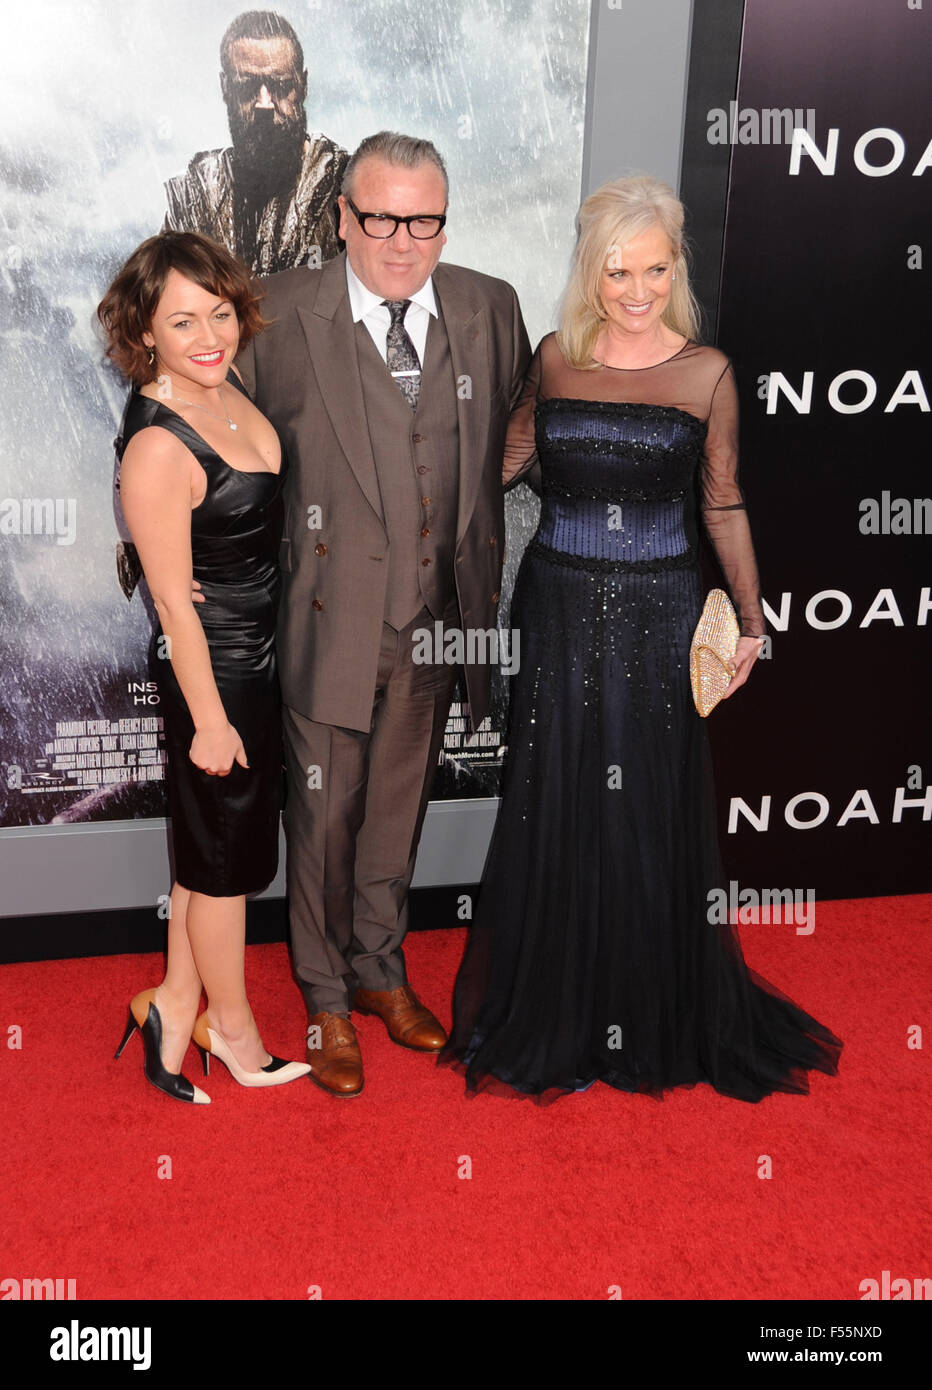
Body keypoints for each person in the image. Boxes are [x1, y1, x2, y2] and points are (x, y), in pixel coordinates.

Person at [440, 175, 843, 1103]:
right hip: (560, 608)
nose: (634, 289)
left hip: (661, 614)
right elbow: (498, 469)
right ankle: (562, 1005)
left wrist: (752, 617)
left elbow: (723, 500)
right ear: (591, 271)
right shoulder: (555, 359)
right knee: (559, 793)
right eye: (617, 271)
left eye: (654, 270)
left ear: (676, 269)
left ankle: (647, 1002)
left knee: (645, 806)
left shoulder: (706, 373)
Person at [234, 131, 532, 1097]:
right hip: (325, 616)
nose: (404, 242)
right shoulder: (275, 317)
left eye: (426, 220)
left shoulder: (489, 307)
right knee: (322, 816)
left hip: (439, 618)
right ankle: (324, 997)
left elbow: (512, 438)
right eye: (382, 219)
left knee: (396, 809)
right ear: (343, 217)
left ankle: (379, 969)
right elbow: (218, 451)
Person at [100, 231, 310, 1101]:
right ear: (145, 331)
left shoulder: (220, 392)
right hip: (211, 675)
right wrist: (212, 720)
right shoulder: (157, 448)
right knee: (227, 871)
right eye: (181, 321)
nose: (208, 335)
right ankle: (237, 1032)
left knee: (205, 857)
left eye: (219, 313)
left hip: (256, 665)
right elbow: (173, 605)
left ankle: (174, 1007)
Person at [163, 10, 347, 276]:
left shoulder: (346, 183)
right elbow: (159, 301)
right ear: (226, 88)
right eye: (247, 87)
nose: (264, 104)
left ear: (303, 85)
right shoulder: (196, 195)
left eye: (281, 86)